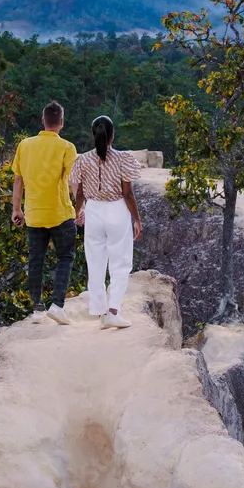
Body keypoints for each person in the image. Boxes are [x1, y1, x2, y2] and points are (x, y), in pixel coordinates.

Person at [69, 115, 142, 329]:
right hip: (117, 210)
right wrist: (137, 219)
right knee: (120, 263)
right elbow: (128, 193)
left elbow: (80, 191)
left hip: (93, 210)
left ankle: (99, 310)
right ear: (112, 135)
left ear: (93, 135)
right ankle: (113, 311)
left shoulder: (82, 160)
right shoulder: (124, 158)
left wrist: (78, 210)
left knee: (95, 261)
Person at [11, 100, 77, 325]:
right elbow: (73, 182)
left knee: (36, 260)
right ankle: (57, 305)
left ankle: (37, 309)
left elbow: (18, 179)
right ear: (61, 122)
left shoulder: (25, 145)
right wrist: (81, 207)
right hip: (60, 213)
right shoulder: (67, 147)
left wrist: (16, 208)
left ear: (43, 121)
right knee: (66, 256)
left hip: (35, 214)